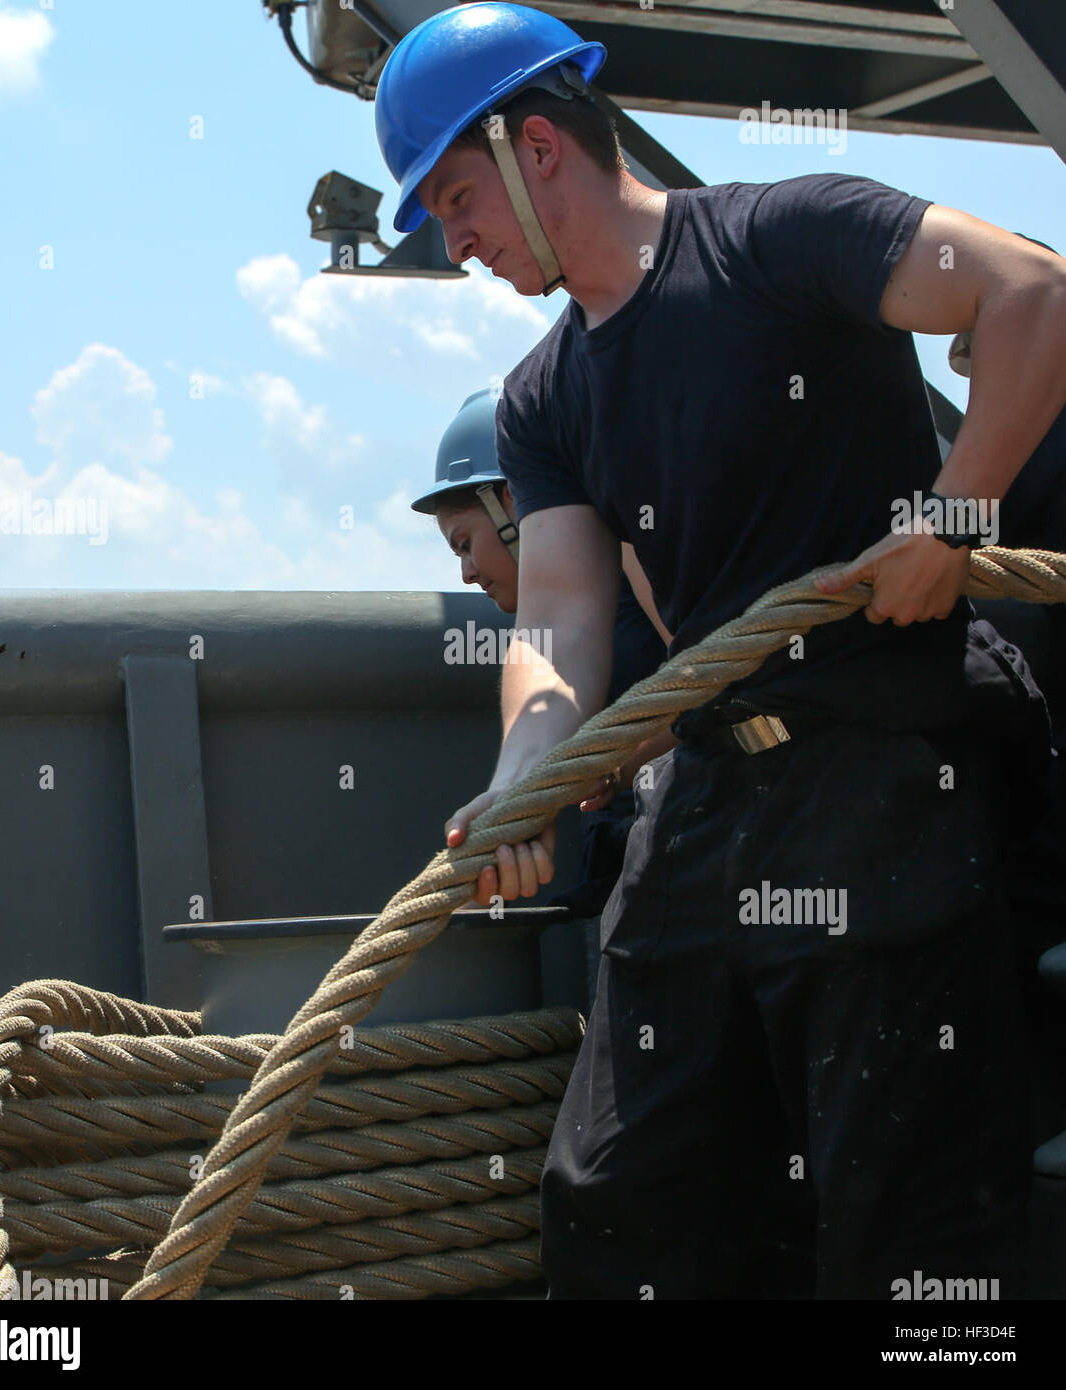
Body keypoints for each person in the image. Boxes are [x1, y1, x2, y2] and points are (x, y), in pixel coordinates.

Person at [375, 2, 1066, 1299]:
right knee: (617, 1197)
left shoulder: (781, 238)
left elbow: (1030, 291)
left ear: (536, 148)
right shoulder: (544, 395)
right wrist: (528, 768)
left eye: (455, 196)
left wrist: (957, 514)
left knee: (903, 1226)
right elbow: (563, 626)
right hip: (701, 807)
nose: (449, 238)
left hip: (881, 778)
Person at [412, 387, 672, 1007]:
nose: (467, 574)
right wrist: (529, 795)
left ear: (511, 501)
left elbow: (725, 676)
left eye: (465, 543)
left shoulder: (636, 543)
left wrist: (605, 762)